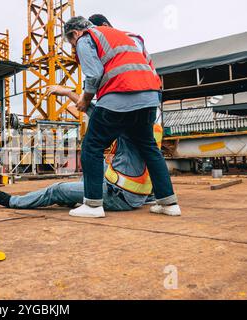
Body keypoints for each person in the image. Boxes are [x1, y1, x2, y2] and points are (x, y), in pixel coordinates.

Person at [61, 15, 181, 218]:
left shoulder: (85, 38)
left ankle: (92, 205)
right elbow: (149, 66)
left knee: (91, 146)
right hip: (149, 97)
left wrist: (85, 100)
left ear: (74, 33)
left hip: (120, 95)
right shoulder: (129, 36)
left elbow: (93, 75)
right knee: (149, 148)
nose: (74, 47)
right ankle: (168, 203)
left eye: (71, 42)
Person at [0, 85, 162, 212]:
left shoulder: (130, 125)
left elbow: (93, 111)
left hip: (120, 195)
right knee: (91, 163)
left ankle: (15, 201)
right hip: (137, 192)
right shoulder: (151, 127)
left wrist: (67, 93)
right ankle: (74, 198)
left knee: (57, 189)